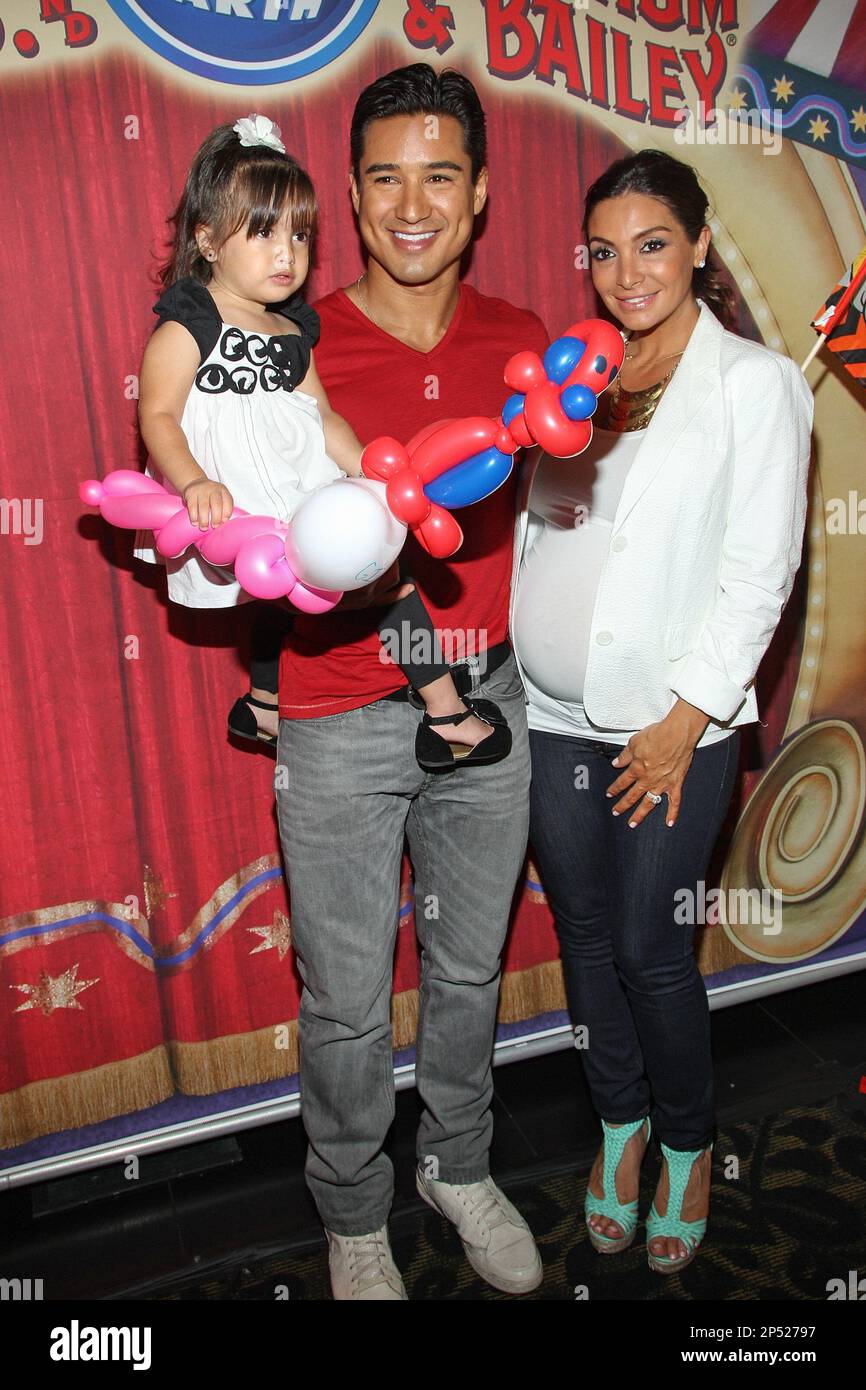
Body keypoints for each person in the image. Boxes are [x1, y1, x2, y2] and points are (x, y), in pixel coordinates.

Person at [510, 149, 813, 1274]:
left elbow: (757, 574)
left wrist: (687, 717)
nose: (624, 270)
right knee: (582, 934)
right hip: (550, 713)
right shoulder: (576, 372)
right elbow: (549, 532)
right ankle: (619, 1127)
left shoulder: (750, 385)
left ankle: (686, 1140)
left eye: (649, 243)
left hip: (668, 722)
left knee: (648, 945)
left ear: (695, 243)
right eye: (602, 249)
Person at [274, 64, 549, 1299]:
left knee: (467, 969)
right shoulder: (288, 345)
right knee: (340, 1002)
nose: (411, 200)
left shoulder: (522, 346)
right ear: (350, 191)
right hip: (336, 717)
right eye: (384, 174)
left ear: (479, 192)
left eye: (439, 173)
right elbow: (235, 538)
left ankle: (457, 1163)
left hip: (482, 704)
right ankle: (349, 1213)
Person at [133, 114, 509, 773]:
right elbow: (158, 414)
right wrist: (193, 481)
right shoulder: (187, 326)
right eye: (263, 232)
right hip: (231, 497)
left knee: (357, 576)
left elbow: (322, 418)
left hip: (292, 488)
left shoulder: (292, 332)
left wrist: (367, 465)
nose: (287, 254)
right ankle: (447, 713)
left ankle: (264, 700)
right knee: (346, 584)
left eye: (299, 235)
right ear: (208, 240)